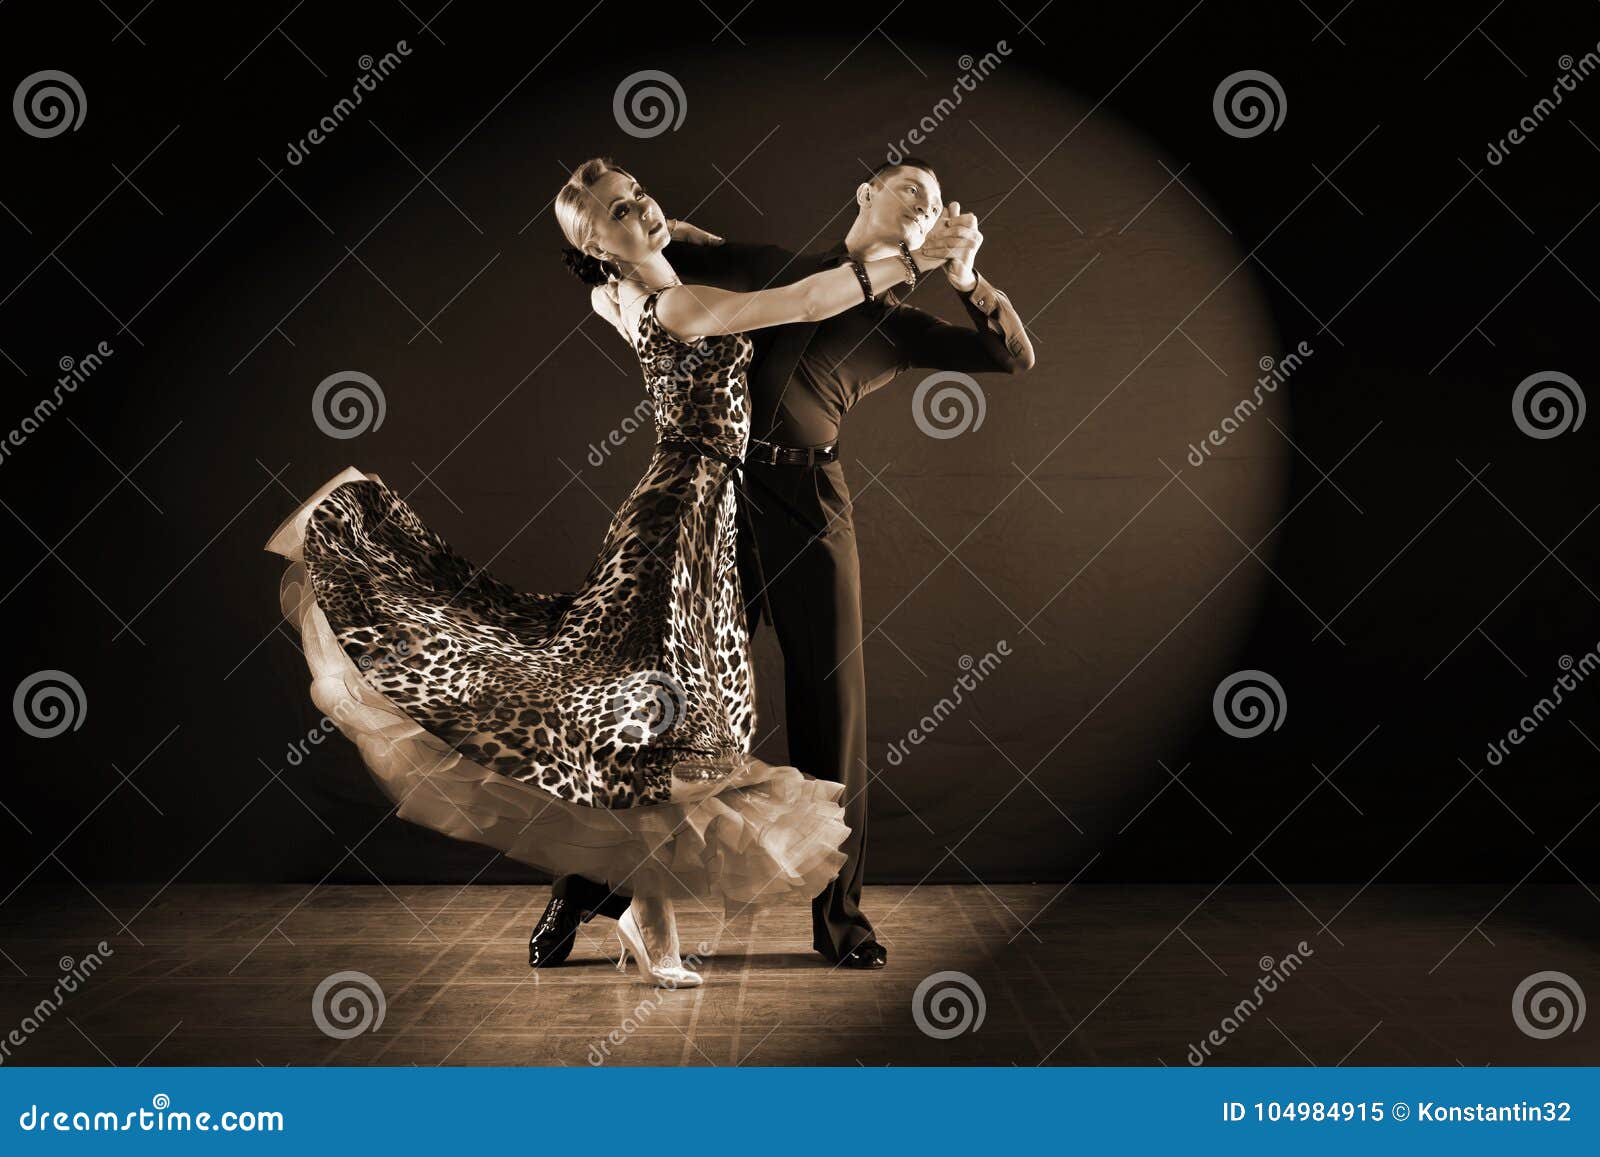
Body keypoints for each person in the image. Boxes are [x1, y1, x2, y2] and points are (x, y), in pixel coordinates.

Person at [263, 156, 955, 987]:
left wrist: (655, 235)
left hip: (698, 511)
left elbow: (648, 252)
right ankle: (635, 912)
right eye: (622, 211)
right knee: (673, 725)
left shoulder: (622, 292)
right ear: (597, 244)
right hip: (683, 523)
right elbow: (802, 302)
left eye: (642, 195)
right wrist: (913, 262)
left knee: (653, 719)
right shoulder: (681, 303)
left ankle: (600, 895)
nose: (647, 210)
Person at [532, 156, 1035, 971]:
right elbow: (639, 248)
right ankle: (591, 882)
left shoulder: (898, 327)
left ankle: (841, 923)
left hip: (810, 503)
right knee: (672, 708)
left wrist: (970, 279)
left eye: (940, 202)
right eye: (910, 188)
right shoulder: (769, 265)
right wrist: (638, 251)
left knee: (834, 714)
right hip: (715, 500)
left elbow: (1011, 357)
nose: (927, 205)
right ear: (864, 193)